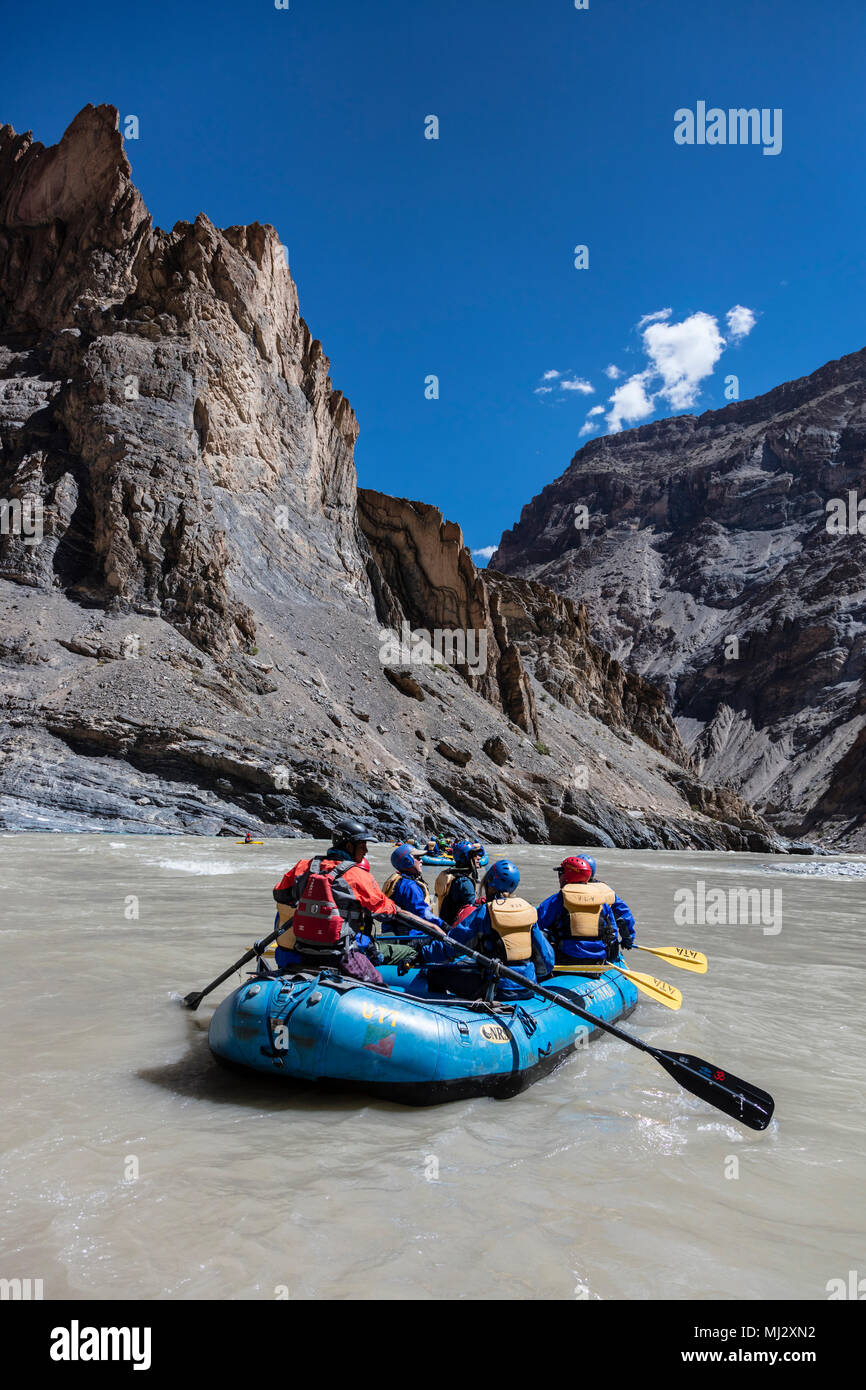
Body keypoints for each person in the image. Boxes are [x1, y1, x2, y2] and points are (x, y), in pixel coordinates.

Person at [271, 818, 398, 981]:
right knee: (377, 982)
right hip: (340, 954)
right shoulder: (357, 875)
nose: (366, 851)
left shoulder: (304, 866)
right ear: (349, 846)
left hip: (303, 951)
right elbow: (385, 912)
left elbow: (280, 894)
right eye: (362, 846)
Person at [421, 860, 554, 1000]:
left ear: (489, 881)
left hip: (495, 988)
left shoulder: (485, 912)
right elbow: (548, 961)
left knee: (435, 974)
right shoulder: (527, 911)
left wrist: (423, 954)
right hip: (528, 987)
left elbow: (452, 945)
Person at [536, 856, 635, 967]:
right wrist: (628, 938)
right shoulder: (601, 901)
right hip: (598, 961)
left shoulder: (558, 899)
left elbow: (536, 923)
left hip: (566, 959)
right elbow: (613, 931)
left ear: (566, 876)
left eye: (560, 873)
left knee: (540, 933)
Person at [378, 843, 446, 966]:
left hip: (395, 933)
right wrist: (444, 926)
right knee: (441, 943)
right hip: (409, 938)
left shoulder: (397, 880)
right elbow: (423, 914)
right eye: (418, 858)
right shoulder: (411, 886)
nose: (421, 861)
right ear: (407, 861)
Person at [435, 839, 485, 925]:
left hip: (446, 921)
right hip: (455, 926)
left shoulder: (453, 875)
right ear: (466, 859)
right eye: (474, 855)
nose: (478, 857)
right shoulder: (465, 883)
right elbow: (470, 913)